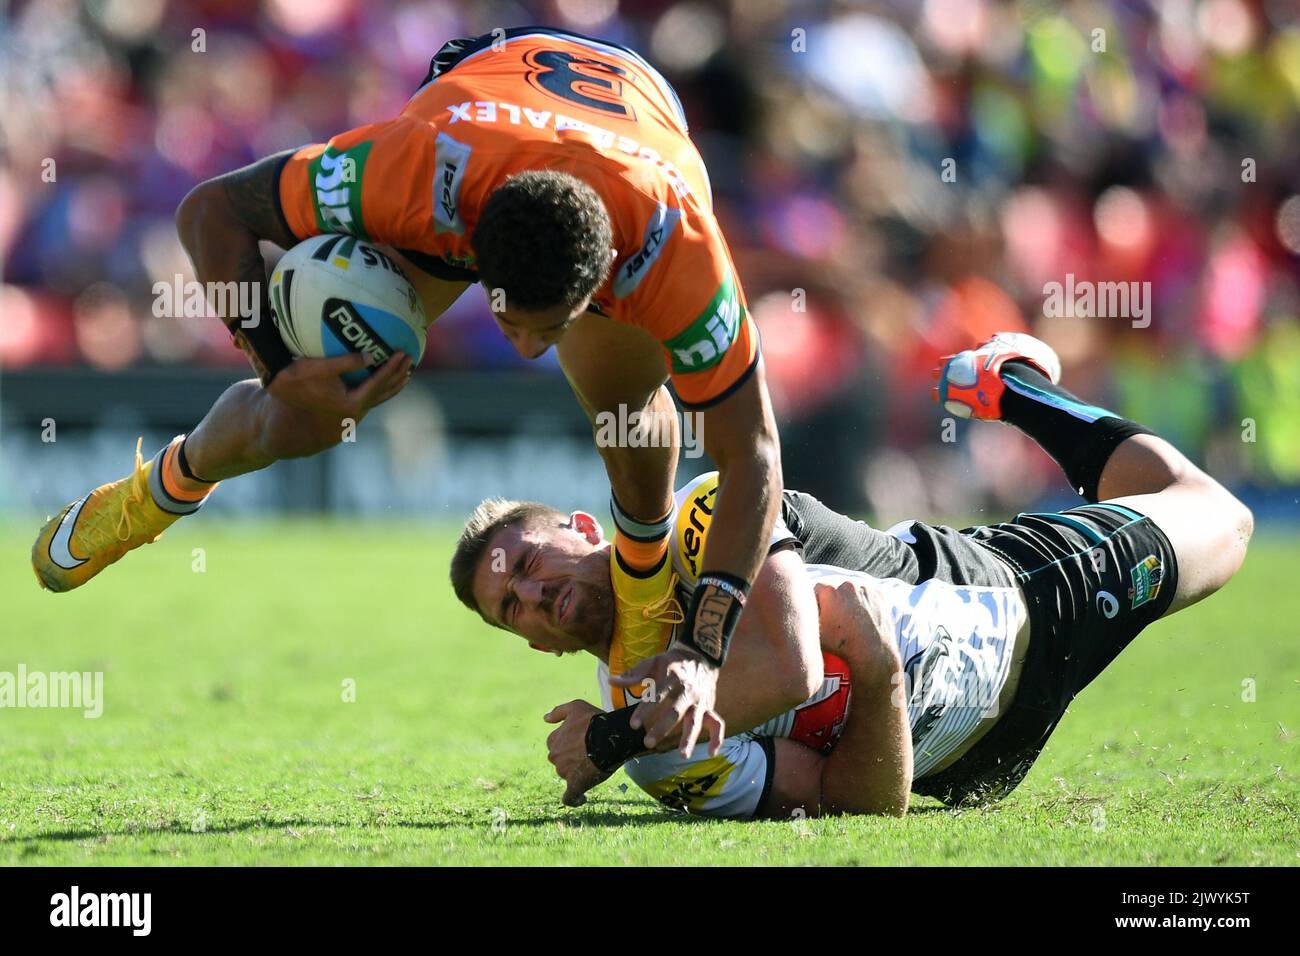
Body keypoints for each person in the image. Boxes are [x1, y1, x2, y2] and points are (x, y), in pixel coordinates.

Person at [31, 28, 790, 756]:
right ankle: (150, 495)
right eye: (507, 318)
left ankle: (647, 594)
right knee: (317, 402)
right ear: (470, 253)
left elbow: (753, 453)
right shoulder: (415, 173)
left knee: (623, 411)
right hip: (483, 101)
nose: (523, 348)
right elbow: (210, 211)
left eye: (547, 328)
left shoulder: (676, 245)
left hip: (634, 133)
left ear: (597, 286)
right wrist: (272, 361)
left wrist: (701, 648)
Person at [449, 333, 1254, 816]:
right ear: (539, 650)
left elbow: (795, 665)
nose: (532, 594)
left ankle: (1013, 393)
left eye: (524, 563)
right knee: (1178, 507)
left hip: (1012, 601)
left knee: (1217, 516)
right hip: (981, 761)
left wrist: (623, 730)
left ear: (585, 528)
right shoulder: (660, 767)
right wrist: (877, 680)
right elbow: (856, 804)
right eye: (510, 609)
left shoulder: (705, 516)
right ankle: (1015, 388)